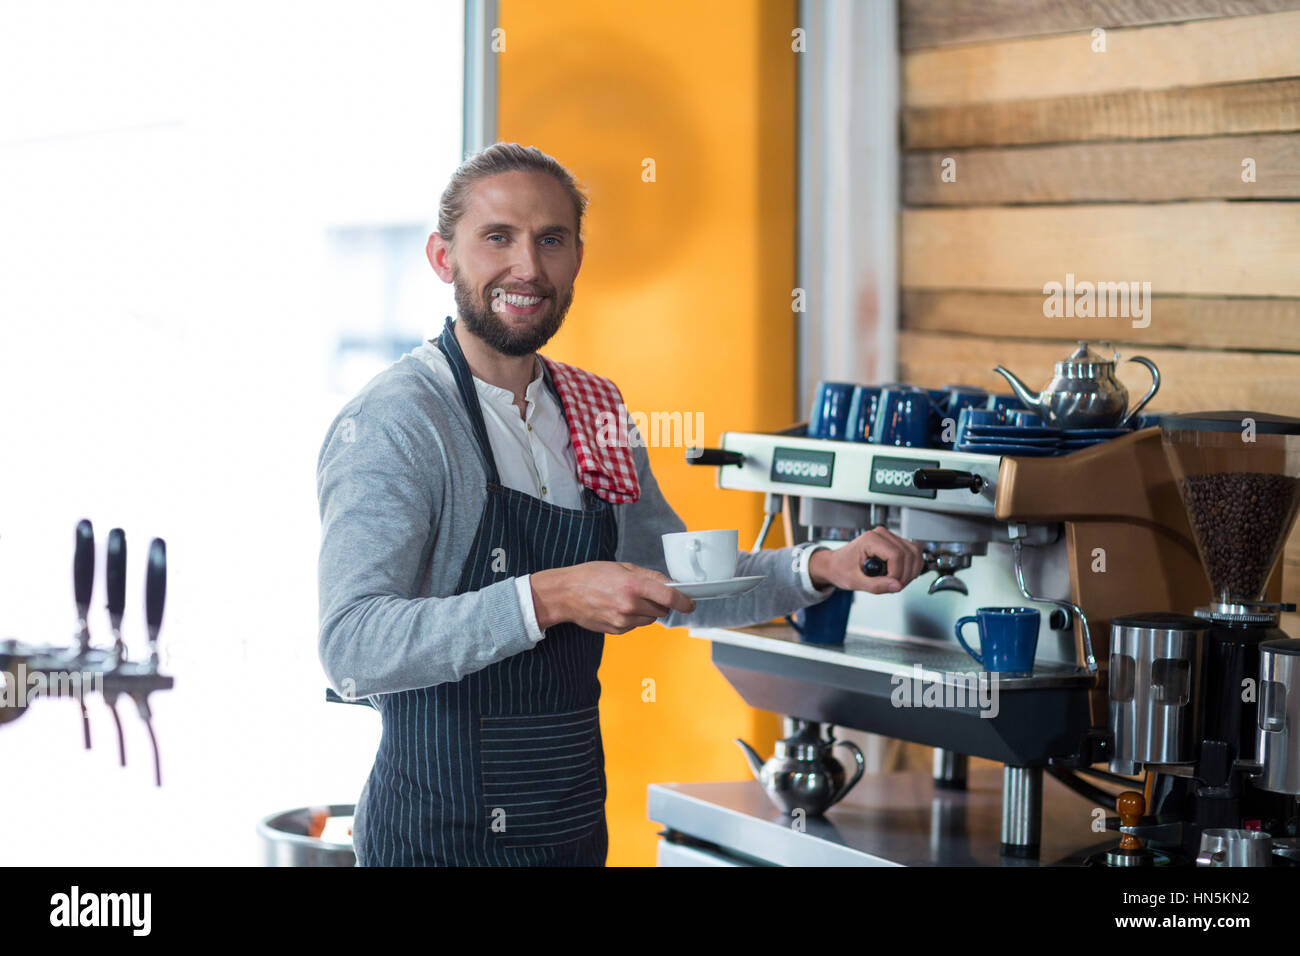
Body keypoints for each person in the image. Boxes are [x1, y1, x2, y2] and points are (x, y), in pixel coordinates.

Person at [316, 142, 925, 866]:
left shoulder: (594, 406)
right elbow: (351, 645)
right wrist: (549, 596)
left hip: (570, 818)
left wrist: (820, 566)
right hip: (436, 833)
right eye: (497, 238)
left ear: (578, 256)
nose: (528, 268)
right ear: (443, 258)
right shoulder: (399, 419)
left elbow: (671, 580)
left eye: (552, 240)